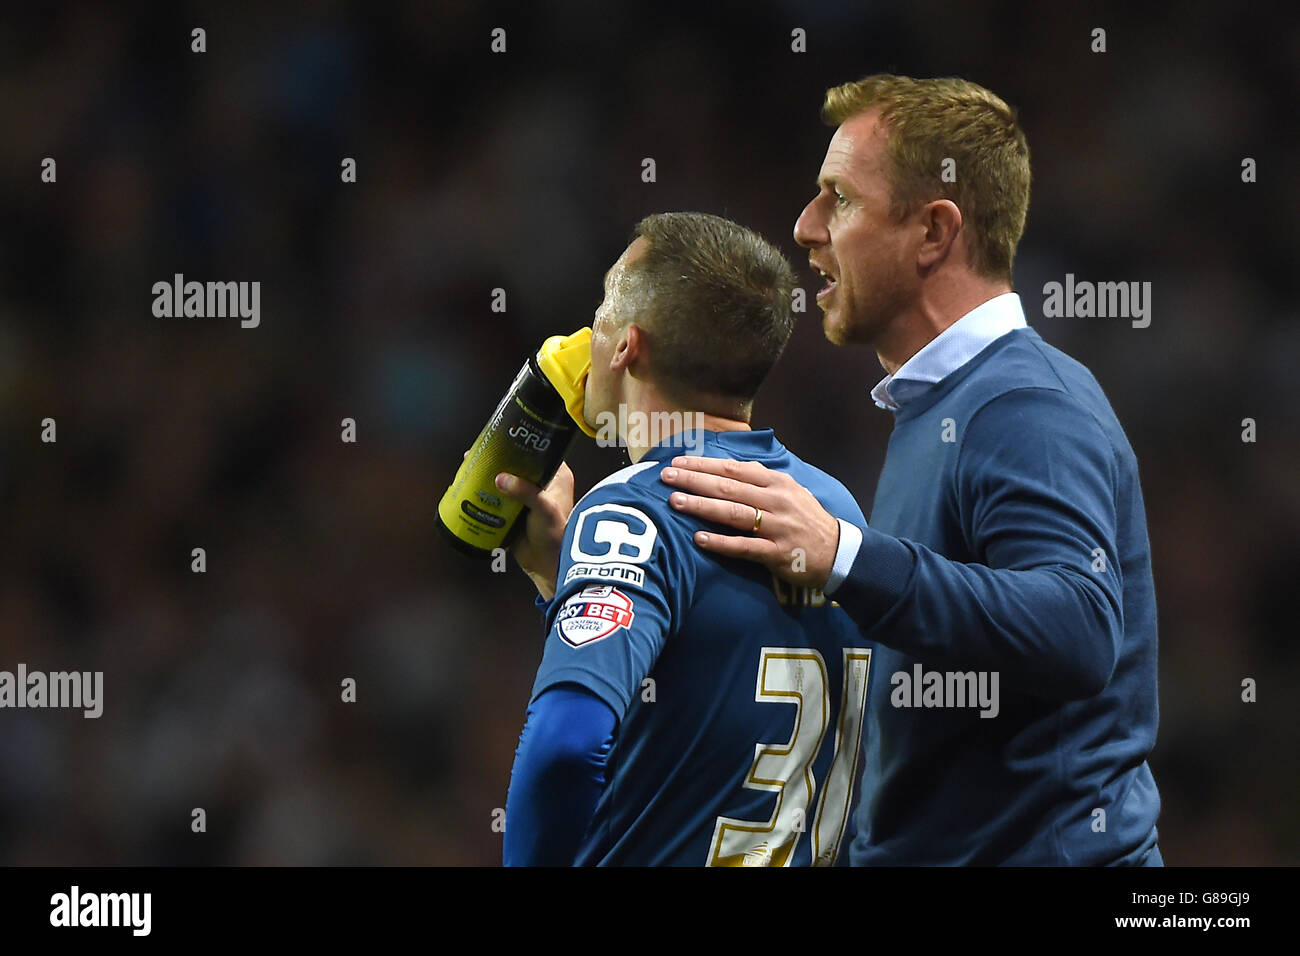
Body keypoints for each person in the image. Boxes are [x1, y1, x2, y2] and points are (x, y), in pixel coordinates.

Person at [659, 75, 1163, 866]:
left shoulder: (1024, 403)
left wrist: (843, 555)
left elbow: (1079, 628)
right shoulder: (945, 405)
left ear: (933, 232)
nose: (805, 227)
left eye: (840, 200)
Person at [497, 212, 874, 866]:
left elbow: (565, 747)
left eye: (604, 305)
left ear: (626, 345)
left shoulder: (629, 509)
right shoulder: (834, 512)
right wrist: (563, 582)